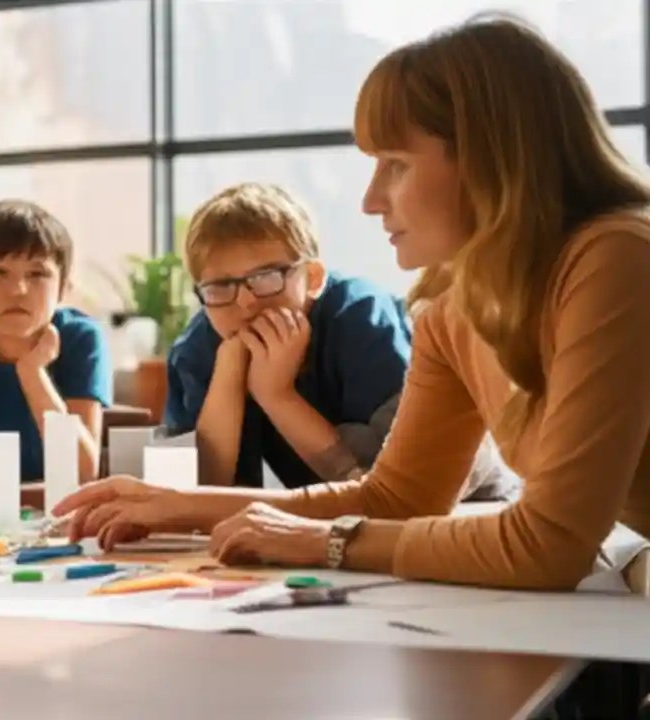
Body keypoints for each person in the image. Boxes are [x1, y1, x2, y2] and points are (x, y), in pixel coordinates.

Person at [54, 16, 650, 591]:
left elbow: (548, 545)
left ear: (491, 158)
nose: (369, 200)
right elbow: (396, 498)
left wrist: (326, 542)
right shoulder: (451, 308)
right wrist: (180, 506)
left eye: (396, 165)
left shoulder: (614, 257)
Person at [164, 182, 411, 488]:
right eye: (220, 286)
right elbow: (190, 492)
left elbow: (387, 486)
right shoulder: (197, 347)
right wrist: (229, 371)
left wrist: (276, 395)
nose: (246, 302)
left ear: (313, 278)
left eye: (266, 277)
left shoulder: (361, 318)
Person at [0, 200, 113, 485]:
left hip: (60, 512)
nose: (17, 290)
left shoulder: (80, 339)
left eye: (37, 274)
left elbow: (83, 473)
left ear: (63, 288)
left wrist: (32, 371)